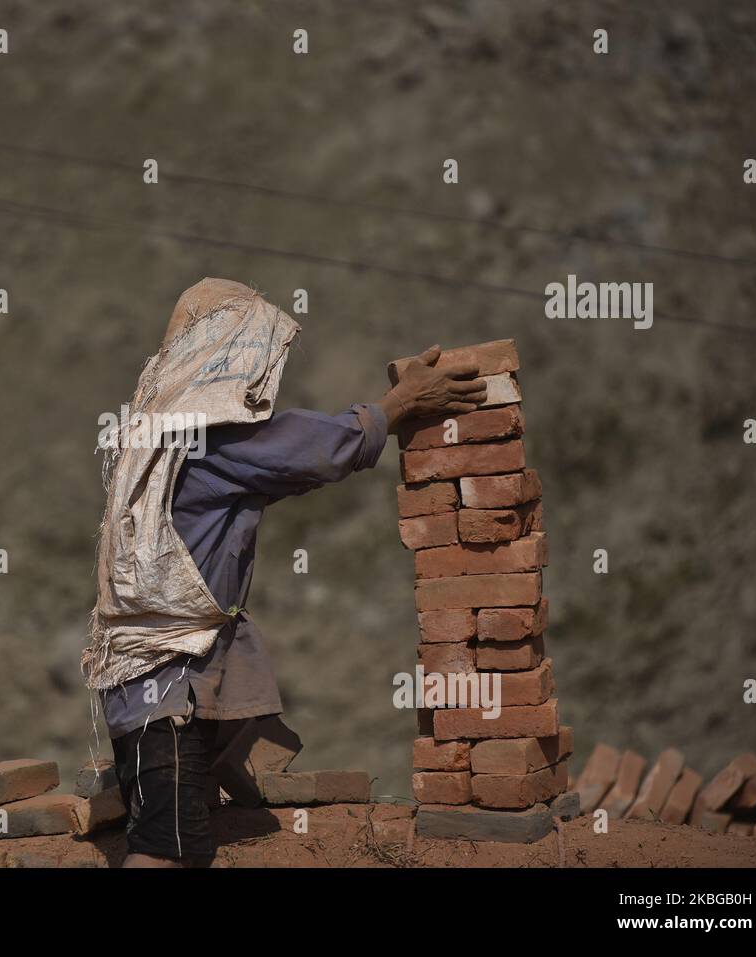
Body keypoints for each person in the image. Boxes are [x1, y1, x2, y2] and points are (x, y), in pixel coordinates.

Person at [81, 278, 486, 867]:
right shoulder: (207, 439)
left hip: (150, 682)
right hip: (161, 689)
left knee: (177, 837)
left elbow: (277, 467)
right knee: (166, 851)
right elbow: (307, 450)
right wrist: (398, 407)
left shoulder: (159, 439)